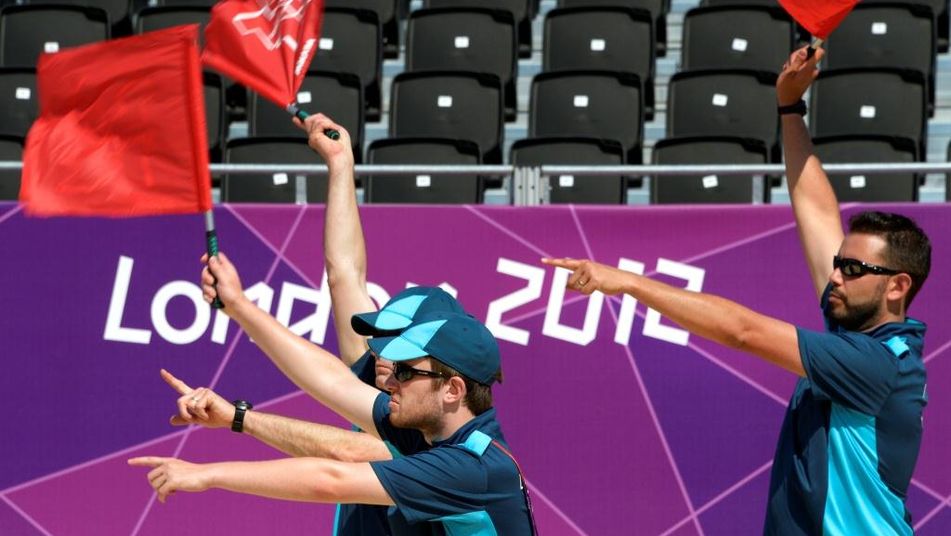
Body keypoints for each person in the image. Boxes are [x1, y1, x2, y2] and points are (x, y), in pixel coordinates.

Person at [542, 45, 931, 536]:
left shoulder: (873, 364)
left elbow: (742, 331)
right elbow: (817, 213)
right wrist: (790, 108)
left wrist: (627, 282)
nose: (835, 276)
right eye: (839, 265)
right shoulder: (866, 333)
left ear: (897, 286)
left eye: (852, 268)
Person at [156, 114, 466, 535]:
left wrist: (231, 433)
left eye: (399, 348)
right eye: (382, 340)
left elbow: (346, 457)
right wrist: (340, 165)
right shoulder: (383, 382)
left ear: (443, 374)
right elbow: (344, 274)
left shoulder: (447, 446)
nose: (381, 352)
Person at [130, 309, 536, 535]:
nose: (390, 379)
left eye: (408, 373)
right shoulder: (435, 433)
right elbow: (332, 382)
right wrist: (237, 304)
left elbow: (331, 478)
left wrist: (206, 474)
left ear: (453, 390)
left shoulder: (472, 467)